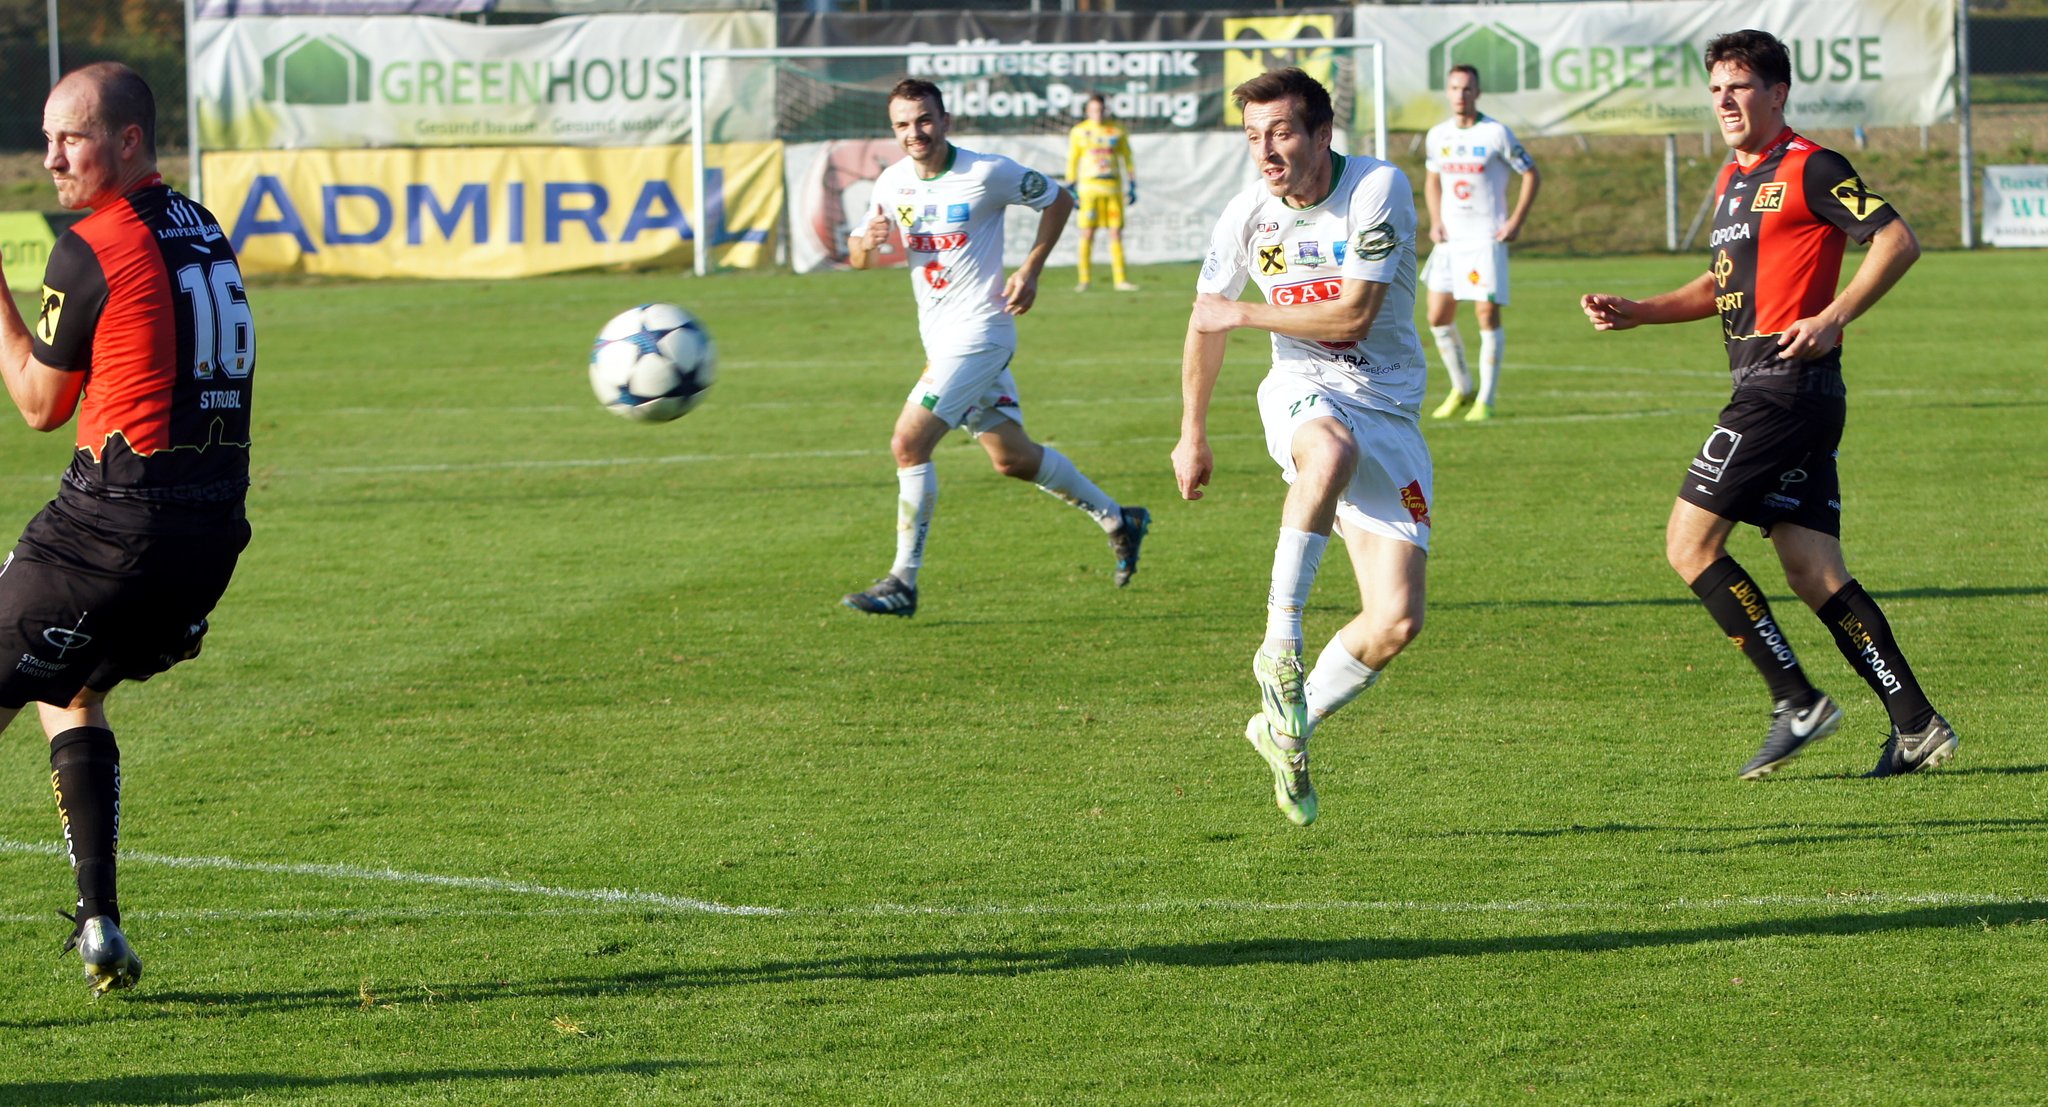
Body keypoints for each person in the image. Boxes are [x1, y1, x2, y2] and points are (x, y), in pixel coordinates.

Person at [1581, 29, 1954, 780]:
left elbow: (1896, 240)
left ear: (1777, 93)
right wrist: (1641, 310)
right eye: (1716, 87)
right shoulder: (1733, 181)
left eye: (1740, 86)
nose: (1725, 99)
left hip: (1782, 389)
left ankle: (1798, 701)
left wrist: (1834, 314)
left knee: (1689, 544)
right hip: (1786, 393)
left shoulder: (1813, 166)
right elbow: (1722, 287)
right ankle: (1916, 725)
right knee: (1814, 569)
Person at [0, 62, 254, 994]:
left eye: (71, 136)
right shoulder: (206, 229)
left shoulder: (90, 245)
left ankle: (102, 915)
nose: (51, 155)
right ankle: (99, 918)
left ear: (129, 141)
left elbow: (36, 402)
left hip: (110, 528)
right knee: (67, 682)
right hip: (208, 539)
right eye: (48, 134)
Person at [1172, 68, 1430, 826]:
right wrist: (1193, 431)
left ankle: (1286, 723)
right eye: (1254, 137)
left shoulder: (1378, 189)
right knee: (1328, 451)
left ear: (1322, 133)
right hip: (1303, 389)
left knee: (1395, 620)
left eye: (1282, 132)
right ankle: (1277, 643)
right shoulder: (1246, 213)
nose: (1267, 151)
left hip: (1389, 405)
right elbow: (1202, 322)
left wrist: (1244, 314)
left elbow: (1352, 314)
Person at [840, 79, 1148, 617]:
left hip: (983, 334)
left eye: (925, 119)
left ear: (946, 119)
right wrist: (864, 245)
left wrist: (1030, 269)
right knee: (1013, 459)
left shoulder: (985, 173)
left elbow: (1061, 200)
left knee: (908, 444)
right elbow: (860, 256)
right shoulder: (892, 183)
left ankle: (902, 581)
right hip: (941, 341)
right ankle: (1118, 518)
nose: (916, 133)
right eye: (903, 124)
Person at [1422, 64, 1538, 422]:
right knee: (1437, 316)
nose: (1461, 95)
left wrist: (1515, 221)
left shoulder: (1495, 134)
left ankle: (1485, 400)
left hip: (1485, 238)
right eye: (1455, 88)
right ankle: (1462, 387)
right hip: (1450, 240)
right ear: (1448, 91)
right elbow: (1432, 180)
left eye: (1467, 89)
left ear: (1478, 92)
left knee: (1485, 313)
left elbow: (1531, 173)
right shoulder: (1438, 135)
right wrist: (1436, 220)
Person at [1066, 92, 1140, 293]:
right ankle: (1084, 280)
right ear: (1087, 111)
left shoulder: (1116, 131)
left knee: (1115, 233)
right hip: (1089, 189)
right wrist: (1071, 185)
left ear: (1105, 110)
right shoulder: (1079, 132)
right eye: (1093, 110)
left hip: (1113, 189)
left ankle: (1121, 280)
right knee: (1087, 233)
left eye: (1100, 109)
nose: (1097, 113)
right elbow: (1073, 159)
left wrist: (1132, 184)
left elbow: (1128, 158)